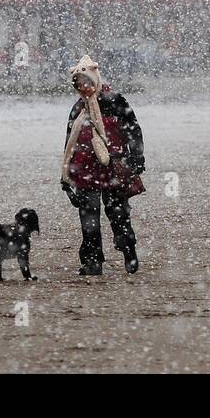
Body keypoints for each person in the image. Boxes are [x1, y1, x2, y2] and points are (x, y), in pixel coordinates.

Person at [60, 55, 146, 275]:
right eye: (79, 84)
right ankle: (92, 261)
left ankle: (129, 252)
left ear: (95, 79)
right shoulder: (77, 109)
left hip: (114, 166)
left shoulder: (115, 101)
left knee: (118, 214)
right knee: (88, 217)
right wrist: (66, 176)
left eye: (86, 82)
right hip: (85, 170)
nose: (83, 87)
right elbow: (69, 143)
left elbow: (133, 130)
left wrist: (136, 159)